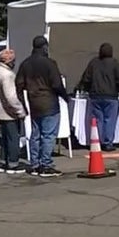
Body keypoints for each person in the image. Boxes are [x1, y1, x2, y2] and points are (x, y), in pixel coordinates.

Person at [15, 36, 72, 177]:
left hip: (33, 103)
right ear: (44, 47)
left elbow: (18, 85)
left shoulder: (25, 64)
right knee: (48, 135)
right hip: (49, 103)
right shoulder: (50, 63)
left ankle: (35, 164)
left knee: (35, 135)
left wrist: (23, 103)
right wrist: (66, 97)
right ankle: (46, 165)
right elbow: (57, 84)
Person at [77, 42, 119, 151]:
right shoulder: (116, 64)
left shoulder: (93, 63)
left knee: (98, 120)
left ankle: (97, 141)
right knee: (109, 120)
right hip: (111, 96)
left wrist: (83, 88)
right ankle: (108, 143)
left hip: (95, 96)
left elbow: (86, 79)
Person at [0, 48, 26, 174]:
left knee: (4, 137)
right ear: (9, 61)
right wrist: (20, 110)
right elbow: (11, 96)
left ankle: (2, 161)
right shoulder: (8, 75)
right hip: (8, 110)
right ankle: (13, 163)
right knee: (13, 137)